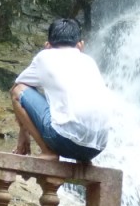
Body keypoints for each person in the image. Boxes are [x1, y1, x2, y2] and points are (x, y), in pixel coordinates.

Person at [10, 18, 110, 162]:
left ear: (47, 45)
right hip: (97, 147)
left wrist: (23, 133)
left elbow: (16, 88)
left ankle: (47, 151)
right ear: (80, 45)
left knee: (18, 91)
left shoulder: (45, 56)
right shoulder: (90, 61)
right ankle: (84, 161)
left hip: (64, 141)